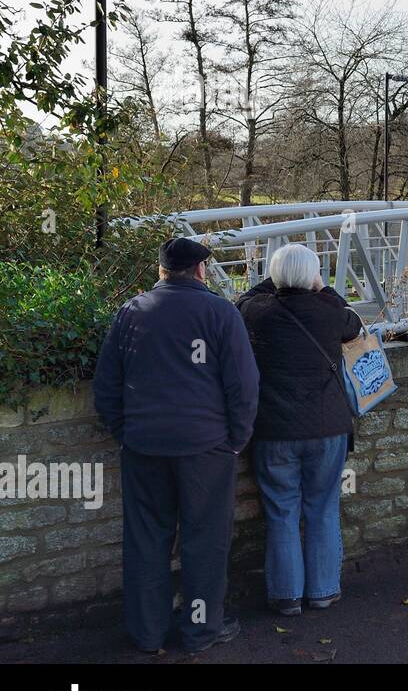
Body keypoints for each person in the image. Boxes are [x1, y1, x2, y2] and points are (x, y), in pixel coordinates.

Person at [92, 238, 259, 655]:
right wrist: (236, 439)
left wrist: (125, 432)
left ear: (161, 270)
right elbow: (244, 385)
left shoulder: (131, 313)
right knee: (204, 542)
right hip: (205, 448)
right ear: (201, 270)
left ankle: (147, 633)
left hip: (144, 446)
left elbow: (107, 385)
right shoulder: (220, 313)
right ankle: (200, 630)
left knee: (146, 539)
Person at [236, 244, 362, 616]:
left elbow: (242, 300)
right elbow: (354, 322)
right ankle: (323, 591)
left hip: (274, 429)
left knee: (281, 512)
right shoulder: (329, 311)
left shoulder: (258, 312)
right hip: (327, 428)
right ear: (314, 275)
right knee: (323, 508)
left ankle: (287, 597)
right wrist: (322, 287)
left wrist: (273, 281)